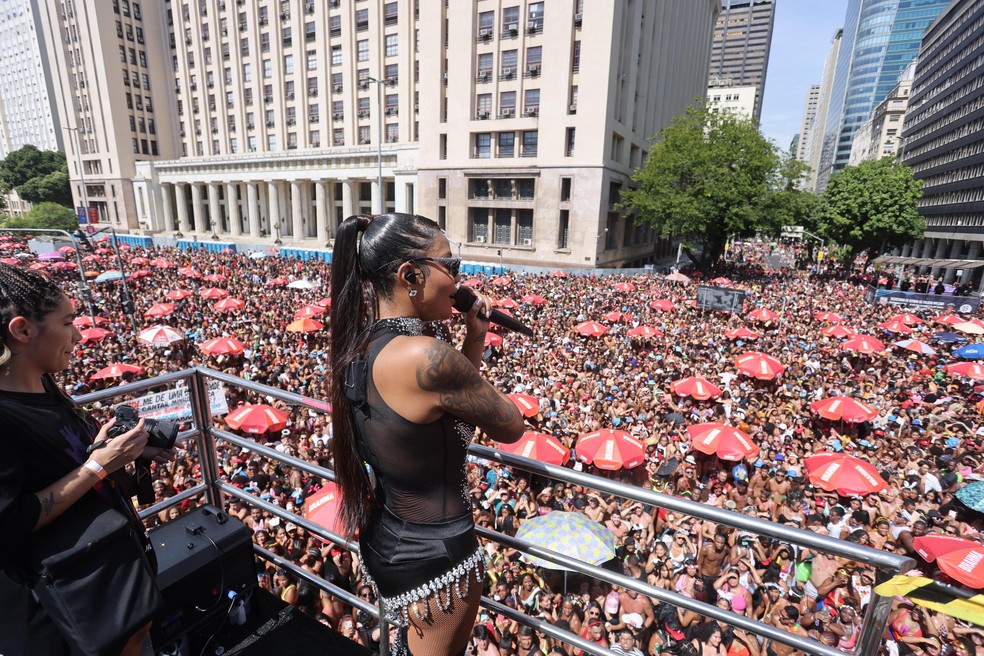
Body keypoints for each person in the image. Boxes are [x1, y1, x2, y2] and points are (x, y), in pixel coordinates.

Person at [329, 213, 525, 655]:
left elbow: (442, 414)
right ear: (410, 276)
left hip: (387, 536)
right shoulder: (426, 355)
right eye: (451, 265)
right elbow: (511, 426)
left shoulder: (360, 344)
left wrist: (473, 339)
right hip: (436, 556)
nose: (459, 281)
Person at [0, 264, 171, 656]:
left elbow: (67, 462)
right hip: (63, 609)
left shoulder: (45, 383)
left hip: (106, 570)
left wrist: (120, 452)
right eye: (67, 322)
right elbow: (8, 523)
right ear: (22, 330)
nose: (78, 335)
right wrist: (98, 466)